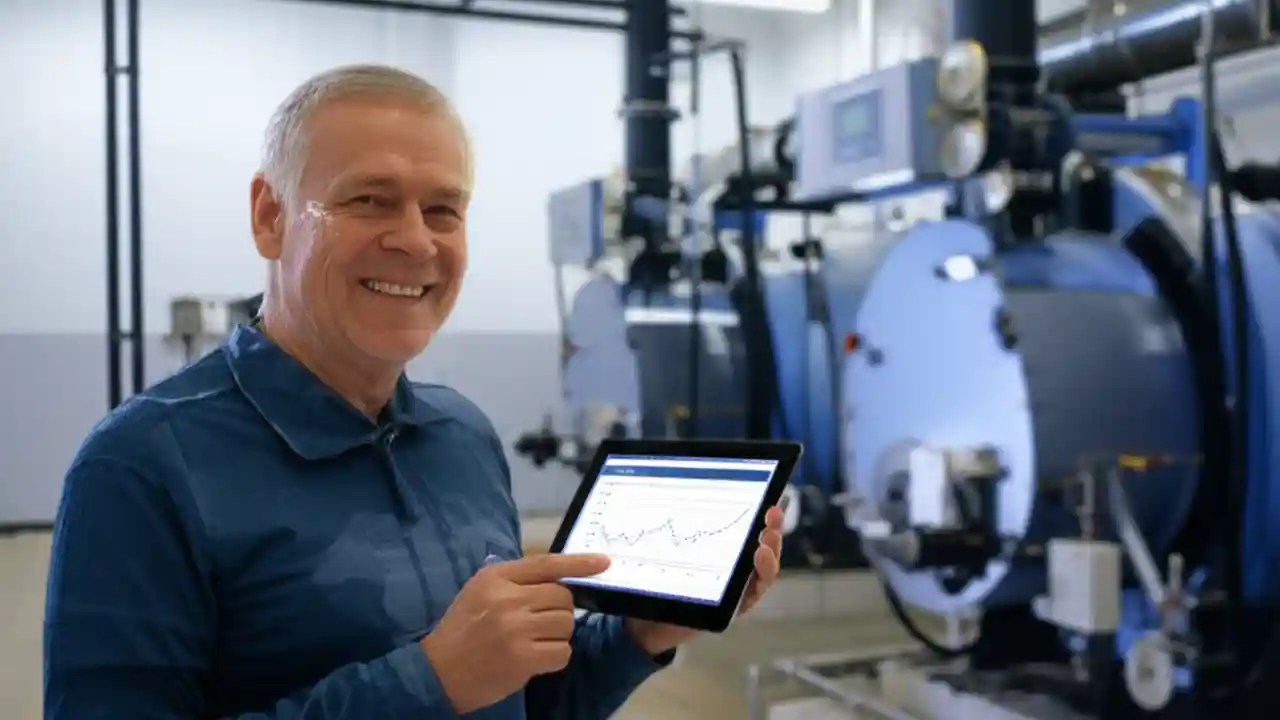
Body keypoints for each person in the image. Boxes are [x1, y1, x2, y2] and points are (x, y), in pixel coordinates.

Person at [42, 64, 785, 719]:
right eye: (369, 199)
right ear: (270, 217)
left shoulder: (461, 436)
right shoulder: (143, 466)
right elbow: (454, 687)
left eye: (443, 210)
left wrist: (638, 635)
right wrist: (431, 682)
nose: (417, 241)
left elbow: (519, 704)